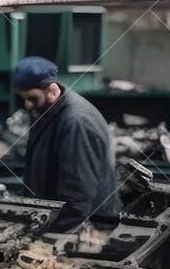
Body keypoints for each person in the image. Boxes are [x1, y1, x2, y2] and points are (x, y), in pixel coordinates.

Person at [13, 57, 121, 231]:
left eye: (32, 98)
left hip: (88, 225)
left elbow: (79, 195)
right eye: (23, 98)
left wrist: (48, 233)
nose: (27, 105)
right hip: (59, 216)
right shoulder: (46, 109)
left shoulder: (76, 122)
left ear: (52, 91)